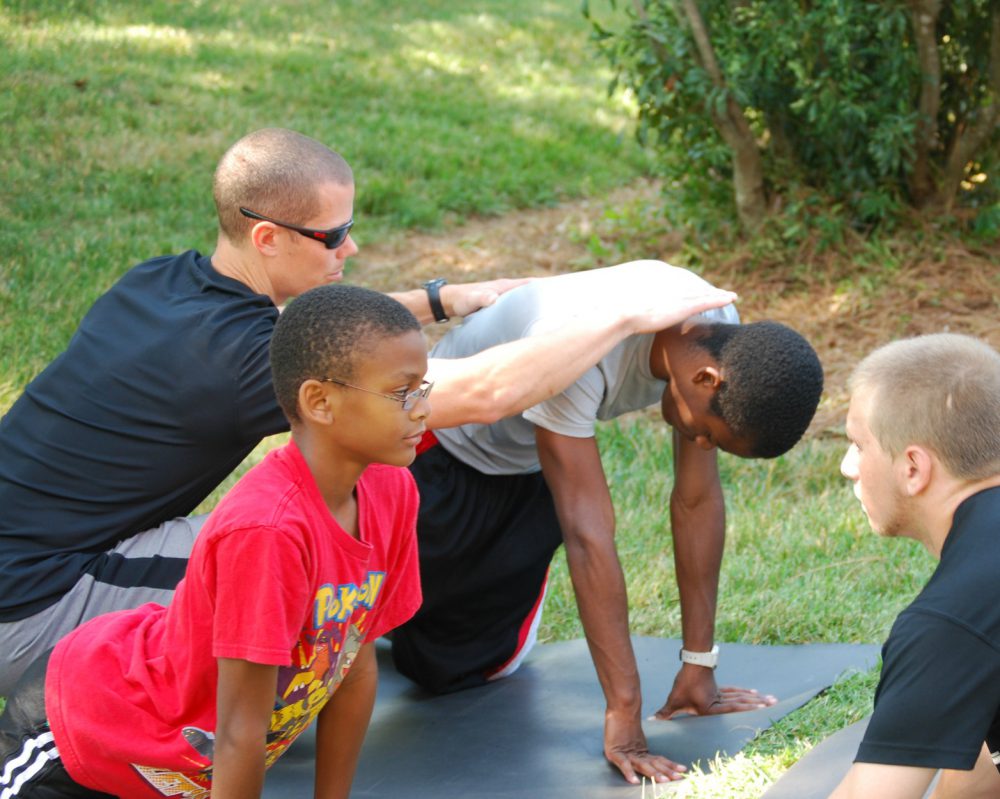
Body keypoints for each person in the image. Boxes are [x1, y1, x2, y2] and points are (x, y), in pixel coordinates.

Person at [0, 128, 737, 695]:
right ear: (267, 237)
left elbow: (323, 330)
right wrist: (622, 317)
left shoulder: (163, 284)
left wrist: (442, 298)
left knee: (294, 540)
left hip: (54, 550)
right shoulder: (238, 363)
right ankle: (106, 716)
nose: (351, 246)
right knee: (299, 556)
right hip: (34, 601)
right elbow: (482, 391)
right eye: (333, 236)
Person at [388, 259, 825, 785]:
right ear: (706, 379)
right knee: (344, 623)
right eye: (709, 434)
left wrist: (699, 664)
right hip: (429, 457)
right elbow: (588, 535)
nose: (702, 445)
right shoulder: (580, 343)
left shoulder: (717, 326)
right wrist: (625, 713)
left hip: (520, 473)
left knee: (451, 671)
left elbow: (696, 501)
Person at [0, 284, 434, 799]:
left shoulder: (391, 490)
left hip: (180, 769)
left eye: (423, 388)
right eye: (401, 391)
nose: (421, 409)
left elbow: (353, 668)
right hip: (85, 736)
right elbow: (238, 732)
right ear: (319, 401)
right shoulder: (268, 532)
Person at [830, 334, 1000, 799]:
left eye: (858, 446)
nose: (848, 467)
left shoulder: (952, 619)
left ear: (913, 468)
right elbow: (982, 759)